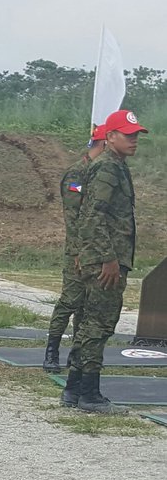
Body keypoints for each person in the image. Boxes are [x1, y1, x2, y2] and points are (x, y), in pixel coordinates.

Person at [66, 108, 144, 414]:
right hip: (105, 260)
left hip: (101, 256)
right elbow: (91, 217)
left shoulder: (114, 165)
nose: (134, 140)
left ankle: (74, 389)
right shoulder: (108, 168)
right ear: (110, 137)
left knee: (89, 323)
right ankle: (90, 394)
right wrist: (108, 259)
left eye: (136, 135)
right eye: (127, 134)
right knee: (99, 324)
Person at [44, 124, 106, 376]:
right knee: (69, 301)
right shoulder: (77, 174)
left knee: (87, 305)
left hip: (94, 249)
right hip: (78, 250)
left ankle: (77, 353)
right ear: (102, 144)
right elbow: (74, 217)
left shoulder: (98, 172)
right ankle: (52, 351)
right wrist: (80, 250)